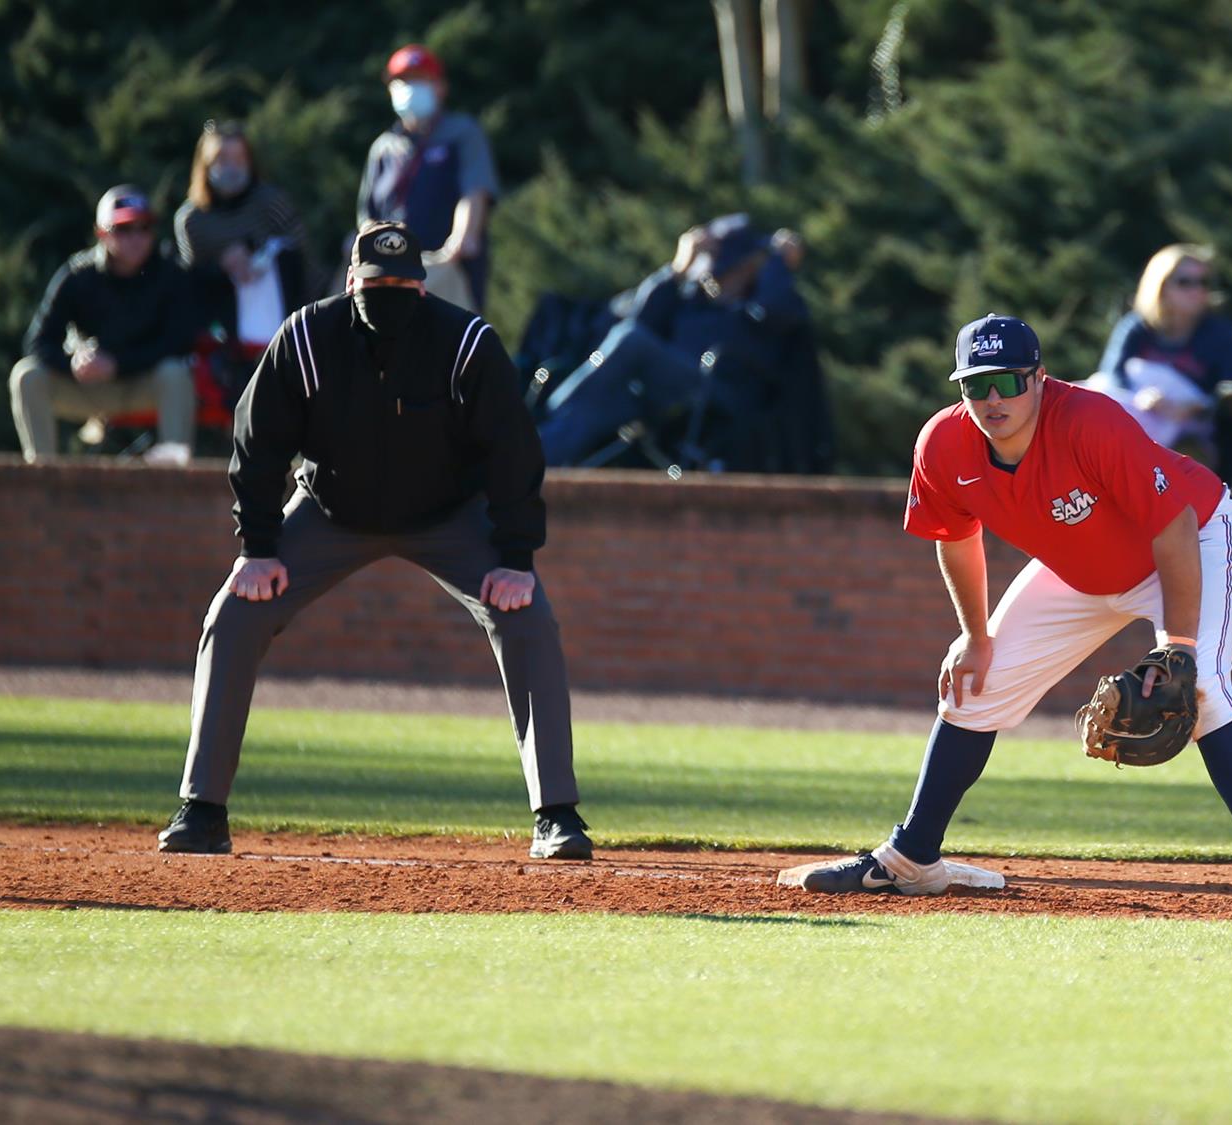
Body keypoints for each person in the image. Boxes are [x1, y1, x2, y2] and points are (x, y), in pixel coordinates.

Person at [791, 314, 1232, 914]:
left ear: (1038, 377)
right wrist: (974, 634)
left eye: (1008, 382)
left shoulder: (1090, 423)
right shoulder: (943, 443)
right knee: (975, 684)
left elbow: (1173, 526)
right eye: (975, 384)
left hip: (1196, 540)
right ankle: (912, 858)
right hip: (1080, 568)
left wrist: (1181, 646)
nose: (992, 398)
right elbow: (955, 535)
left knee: (1202, 688)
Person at [155, 221, 591, 862]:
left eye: (403, 286)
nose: (389, 297)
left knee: (529, 617)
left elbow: (513, 451)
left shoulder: (466, 341)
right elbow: (258, 443)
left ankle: (556, 815)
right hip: (331, 510)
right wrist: (257, 547)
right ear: (352, 282)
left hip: (449, 515)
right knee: (234, 612)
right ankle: (202, 810)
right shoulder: (307, 336)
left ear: (422, 285)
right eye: (375, 286)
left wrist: (517, 558)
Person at [535, 214, 830, 473]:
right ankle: (526, 467)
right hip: (664, 393)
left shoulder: (760, 305)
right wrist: (676, 269)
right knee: (597, 406)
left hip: (720, 394)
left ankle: (552, 413)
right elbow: (636, 319)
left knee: (632, 343)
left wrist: (777, 262)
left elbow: (780, 310)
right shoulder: (690, 299)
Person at [10, 185, 196, 465]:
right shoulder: (77, 275)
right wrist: (72, 362)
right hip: (87, 388)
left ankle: (175, 479)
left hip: (140, 384)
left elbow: (179, 341)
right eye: (123, 229)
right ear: (101, 233)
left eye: (143, 227)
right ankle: (43, 475)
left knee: (175, 374)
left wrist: (118, 363)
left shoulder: (169, 273)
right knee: (27, 375)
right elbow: (37, 341)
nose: (135, 237)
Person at [175, 119, 317, 404]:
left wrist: (254, 253)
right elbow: (192, 278)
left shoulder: (271, 203)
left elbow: (301, 257)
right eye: (222, 159)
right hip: (224, 327)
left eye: (239, 158)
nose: (231, 166)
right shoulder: (192, 220)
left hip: (279, 317)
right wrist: (224, 266)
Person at [358, 44, 499, 310]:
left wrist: (459, 242)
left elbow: (475, 192)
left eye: (420, 80)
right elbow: (368, 216)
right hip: (392, 274)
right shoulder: (383, 147)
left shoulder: (462, 133)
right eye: (403, 81)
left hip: (447, 270)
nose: (410, 89)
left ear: (440, 87)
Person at [1093, 245, 1232, 481]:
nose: (1197, 290)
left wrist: (1194, 407)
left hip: (1192, 424)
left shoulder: (1219, 333)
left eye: (1204, 282)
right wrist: (1143, 398)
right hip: (1134, 412)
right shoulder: (1135, 327)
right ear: (1161, 285)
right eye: (1185, 282)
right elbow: (1111, 377)